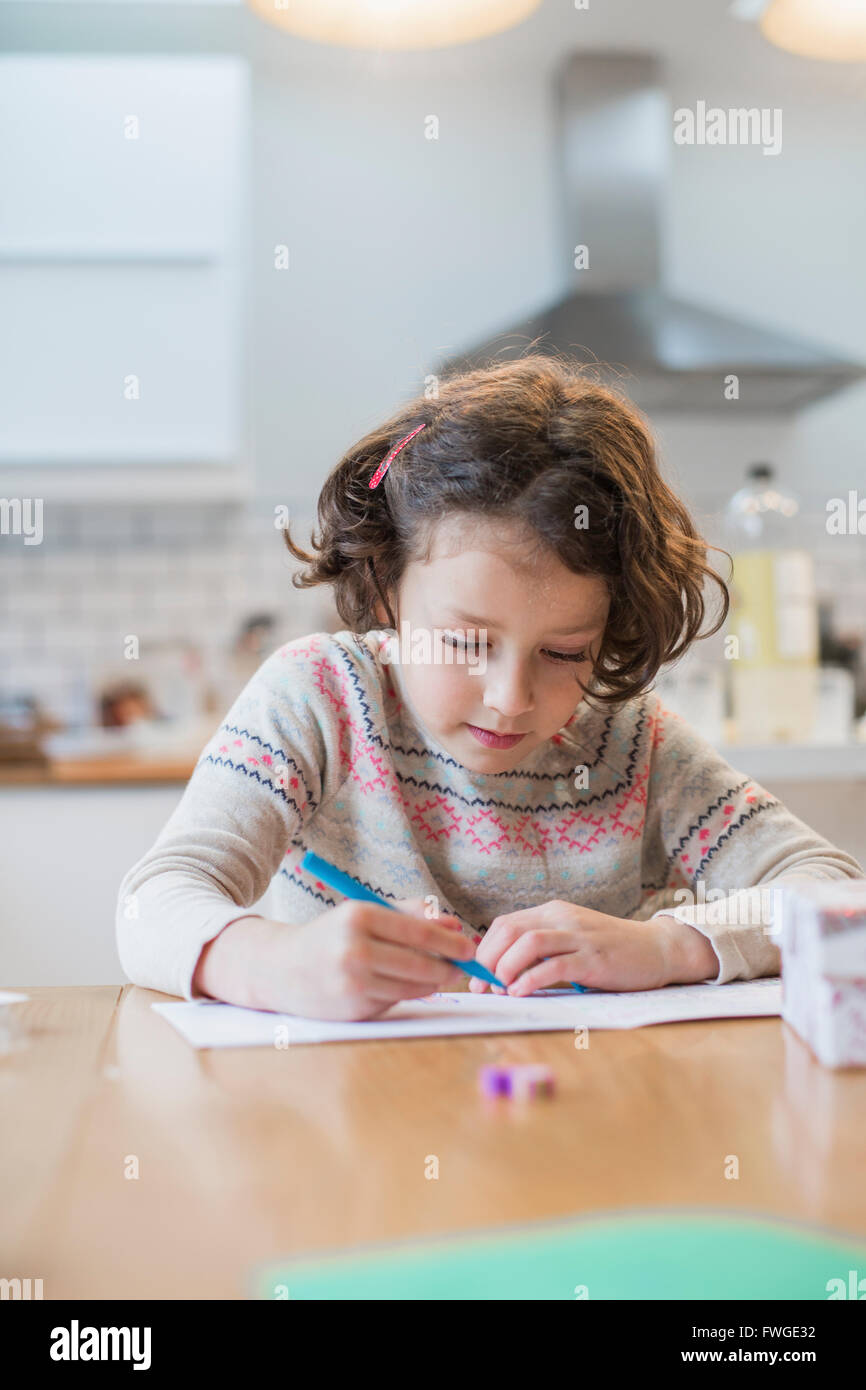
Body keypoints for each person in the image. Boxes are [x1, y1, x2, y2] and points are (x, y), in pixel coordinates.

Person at [116, 355, 863, 1020]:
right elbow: (154, 901)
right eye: (468, 642)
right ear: (386, 587)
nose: (511, 696)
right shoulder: (321, 699)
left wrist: (668, 949)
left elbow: (834, 896)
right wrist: (271, 964)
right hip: (349, 1133)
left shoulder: (630, 740)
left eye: (565, 651)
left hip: (588, 1125)